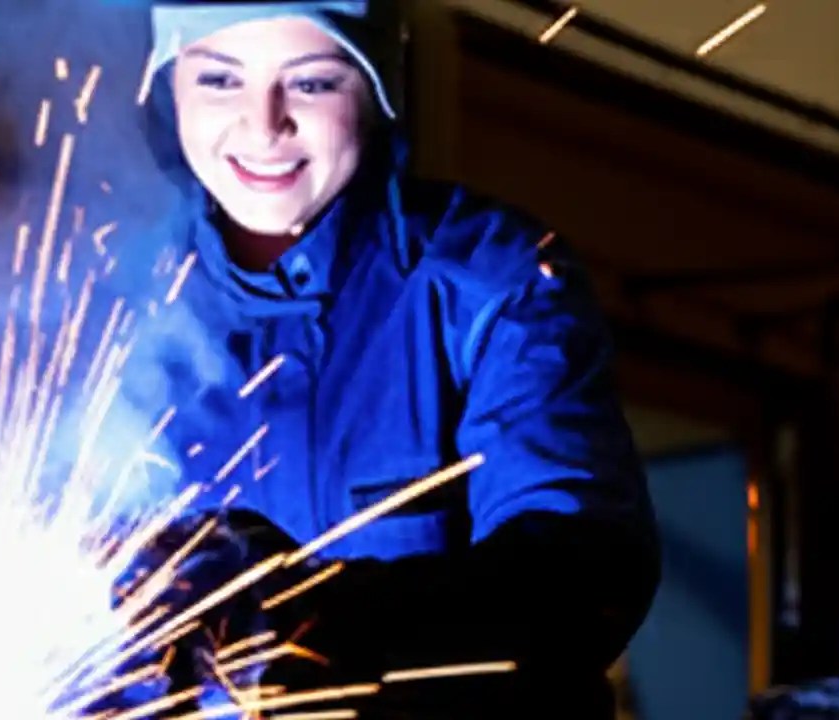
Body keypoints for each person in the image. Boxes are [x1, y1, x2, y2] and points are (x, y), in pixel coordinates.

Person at [109, 1, 662, 717]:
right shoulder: (111, 306)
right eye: (219, 81)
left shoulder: (489, 281)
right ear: (168, 92)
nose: (263, 123)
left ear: (375, 89)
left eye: (310, 84)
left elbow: (582, 575)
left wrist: (310, 621)